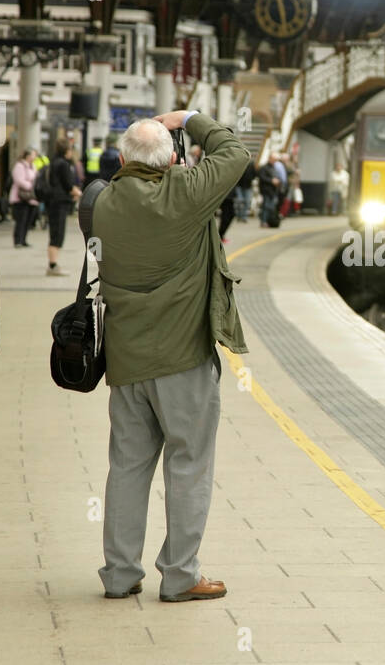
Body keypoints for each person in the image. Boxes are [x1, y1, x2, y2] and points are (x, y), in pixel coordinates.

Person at [92, 109, 250, 602]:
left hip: (126, 362)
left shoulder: (101, 203)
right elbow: (235, 153)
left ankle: (119, 574)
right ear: (173, 159)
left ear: (121, 158)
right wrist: (190, 117)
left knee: (127, 467)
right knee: (188, 463)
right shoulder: (185, 194)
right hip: (182, 360)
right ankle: (180, 575)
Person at [46, 137, 82, 276]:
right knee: (58, 233)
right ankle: (53, 265)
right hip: (59, 202)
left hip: (52, 201)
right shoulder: (64, 164)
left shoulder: (54, 162)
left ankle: (52, 264)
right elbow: (68, 184)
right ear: (67, 150)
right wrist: (79, 193)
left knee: (54, 231)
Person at [9, 147, 38, 247]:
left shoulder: (33, 166)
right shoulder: (20, 165)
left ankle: (24, 240)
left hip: (30, 198)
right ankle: (18, 241)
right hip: (20, 197)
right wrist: (31, 186)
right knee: (21, 220)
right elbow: (19, 180)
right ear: (28, 155)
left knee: (28, 220)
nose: (35, 157)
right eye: (34, 155)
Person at [257, 154, 281, 226]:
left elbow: (277, 176)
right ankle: (263, 221)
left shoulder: (274, 168)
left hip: (273, 190)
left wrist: (278, 181)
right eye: (273, 159)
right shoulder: (264, 168)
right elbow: (262, 177)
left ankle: (269, 221)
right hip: (266, 190)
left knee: (271, 207)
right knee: (266, 206)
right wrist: (271, 181)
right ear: (270, 159)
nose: (274, 161)